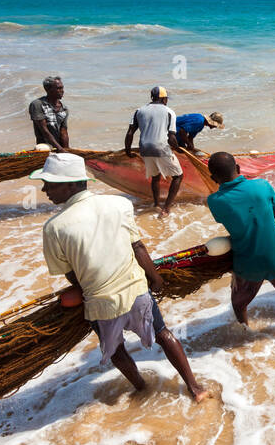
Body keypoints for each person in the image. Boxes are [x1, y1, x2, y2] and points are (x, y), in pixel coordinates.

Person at [33, 152, 206, 401]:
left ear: (69, 184)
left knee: (115, 350)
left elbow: (72, 275)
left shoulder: (54, 227)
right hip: (137, 291)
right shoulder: (119, 205)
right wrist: (156, 280)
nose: (44, 189)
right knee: (163, 333)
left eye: (49, 183)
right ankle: (194, 387)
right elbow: (138, 247)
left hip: (100, 304)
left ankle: (141, 388)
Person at [205, 152, 275, 329]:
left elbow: (230, 219)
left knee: (239, 304)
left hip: (247, 264)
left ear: (213, 178)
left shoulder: (214, 201)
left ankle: (245, 332)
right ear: (239, 169)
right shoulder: (262, 185)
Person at [124, 86, 183, 216]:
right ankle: (166, 208)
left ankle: (156, 204)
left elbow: (130, 133)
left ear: (152, 97)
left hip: (144, 149)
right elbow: (172, 137)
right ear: (163, 98)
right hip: (161, 147)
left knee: (155, 177)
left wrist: (127, 150)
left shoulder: (139, 111)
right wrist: (178, 149)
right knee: (178, 176)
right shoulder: (169, 112)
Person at [29, 76, 69, 150]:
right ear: (47, 89)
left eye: (62, 88)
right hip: (45, 146)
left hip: (59, 147)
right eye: (58, 88)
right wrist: (60, 149)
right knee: (40, 148)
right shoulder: (37, 104)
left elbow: (64, 132)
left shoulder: (64, 109)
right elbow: (44, 130)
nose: (62, 91)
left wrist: (67, 150)